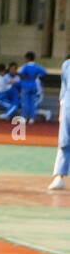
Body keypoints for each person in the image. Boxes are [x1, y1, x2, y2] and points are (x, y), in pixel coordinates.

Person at [51, 53, 70, 191]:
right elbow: (63, 91)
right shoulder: (67, 65)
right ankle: (59, 176)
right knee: (64, 142)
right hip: (68, 107)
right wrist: (62, 110)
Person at [13, 52, 48, 123]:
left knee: (25, 102)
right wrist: (37, 76)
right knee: (32, 103)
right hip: (33, 85)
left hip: (26, 85)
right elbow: (44, 72)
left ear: (27, 58)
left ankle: (24, 117)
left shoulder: (25, 67)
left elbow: (21, 74)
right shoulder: (37, 67)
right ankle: (32, 118)